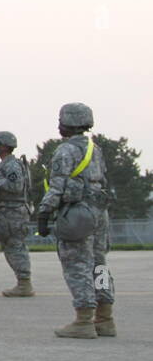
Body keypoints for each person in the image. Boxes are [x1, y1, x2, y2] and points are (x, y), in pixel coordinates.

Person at [36, 102, 115, 339]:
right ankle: (105, 319)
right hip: (99, 213)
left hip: (77, 214)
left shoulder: (65, 151)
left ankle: (83, 321)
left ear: (67, 123)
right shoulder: (95, 149)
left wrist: (44, 212)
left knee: (77, 266)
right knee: (99, 266)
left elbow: (58, 186)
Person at [0, 131, 33, 296]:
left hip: (14, 212)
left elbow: (16, 185)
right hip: (5, 211)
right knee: (11, 246)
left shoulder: (11, 165)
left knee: (15, 246)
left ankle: (24, 284)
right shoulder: (2, 165)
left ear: (3, 146)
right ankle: (23, 282)